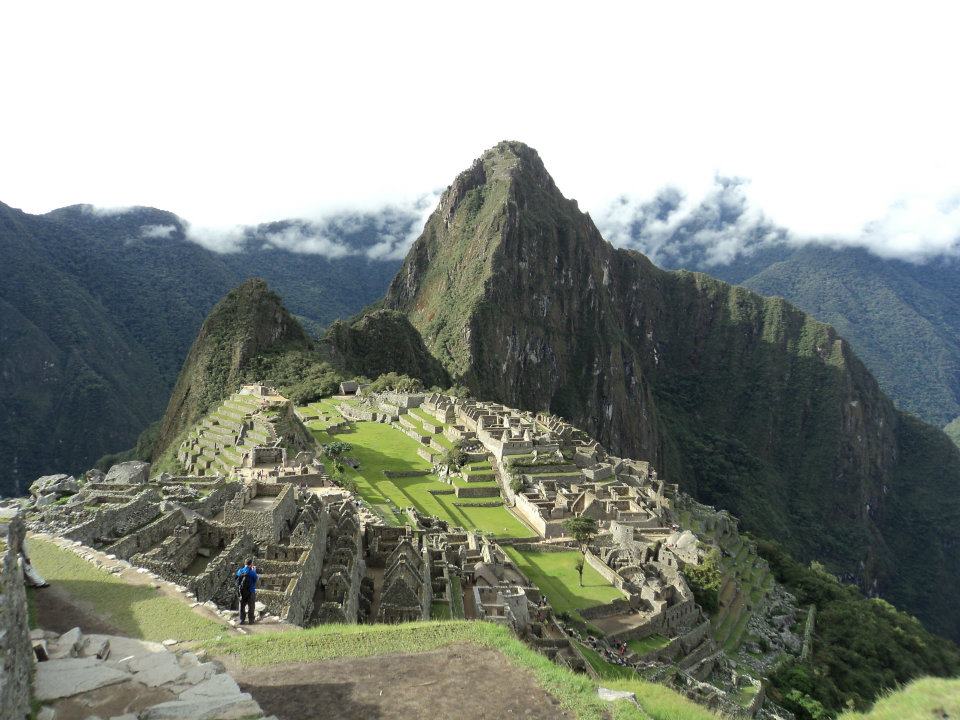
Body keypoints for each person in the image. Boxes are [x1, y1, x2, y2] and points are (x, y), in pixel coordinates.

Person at [235, 558, 258, 625]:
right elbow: (255, 580)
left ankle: (242, 620)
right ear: (251, 564)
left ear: (245, 563)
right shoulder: (252, 572)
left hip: (242, 592)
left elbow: (236, 579)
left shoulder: (240, 571)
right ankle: (251, 621)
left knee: (242, 606)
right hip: (251, 591)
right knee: (251, 607)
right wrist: (254, 571)